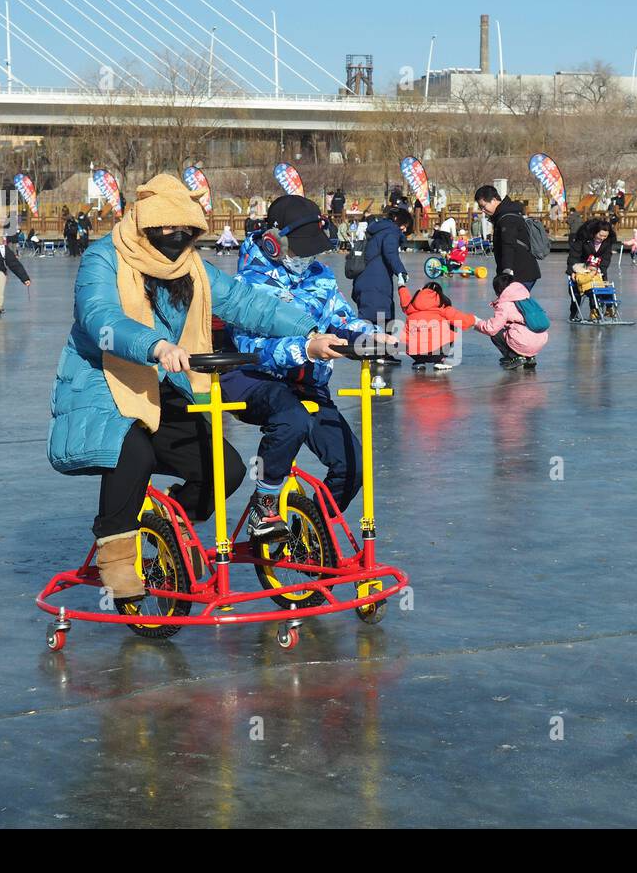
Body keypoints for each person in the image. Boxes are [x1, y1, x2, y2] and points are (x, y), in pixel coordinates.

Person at [48, 174, 326, 603]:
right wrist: (154, 344)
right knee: (132, 452)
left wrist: (313, 333)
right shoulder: (105, 258)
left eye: (186, 231)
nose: (177, 238)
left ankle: (175, 526)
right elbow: (98, 315)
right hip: (104, 380)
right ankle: (117, 556)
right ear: (145, 225)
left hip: (165, 383)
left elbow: (245, 303)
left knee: (225, 470)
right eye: (167, 230)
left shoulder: (192, 266)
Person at [222, 194, 381, 539]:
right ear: (273, 243)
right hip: (253, 377)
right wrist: (307, 348)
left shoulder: (319, 275)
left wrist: (373, 337)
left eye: (313, 249)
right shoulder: (249, 284)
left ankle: (311, 534)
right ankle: (264, 504)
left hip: (307, 382)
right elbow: (251, 348)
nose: (307, 257)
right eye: (300, 249)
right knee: (290, 418)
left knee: (352, 466)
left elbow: (340, 319)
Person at [351, 206, 411, 352]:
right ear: (398, 221)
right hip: (377, 282)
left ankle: (373, 351)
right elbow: (391, 253)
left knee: (371, 317)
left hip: (365, 280)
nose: (404, 230)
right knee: (382, 317)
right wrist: (401, 272)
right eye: (404, 226)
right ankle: (381, 353)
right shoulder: (391, 231)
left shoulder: (378, 230)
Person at [474, 275, 548, 369]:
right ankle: (530, 358)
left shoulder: (505, 305)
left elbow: (492, 328)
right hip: (540, 340)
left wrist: (476, 323)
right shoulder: (526, 298)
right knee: (519, 329)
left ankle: (515, 357)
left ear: (498, 290)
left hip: (525, 342)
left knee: (496, 334)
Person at [475, 184, 540, 291]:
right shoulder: (503, 215)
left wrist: (506, 271)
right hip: (520, 271)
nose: (482, 210)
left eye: (483, 206)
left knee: (514, 303)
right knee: (514, 305)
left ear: (494, 200)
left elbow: (508, 244)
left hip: (519, 272)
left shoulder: (507, 218)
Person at [398, 282, 476, 370]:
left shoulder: (410, 308)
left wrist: (401, 286)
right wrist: (474, 320)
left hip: (415, 353)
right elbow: (463, 320)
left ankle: (419, 362)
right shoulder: (442, 308)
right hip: (435, 353)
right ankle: (439, 360)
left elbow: (404, 299)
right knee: (453, 324)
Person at [566, 218, 615, 321]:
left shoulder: (607, 243)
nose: (602, 238)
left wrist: (600, 270)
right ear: (594, 232)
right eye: (600, 235)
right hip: (581, 270)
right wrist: (572, 271)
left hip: (598, 272)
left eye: (605, 236)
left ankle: (597, 312)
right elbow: (574, 256)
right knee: (576, 292)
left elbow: (606, 258)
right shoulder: (583, 240)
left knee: (601, 290)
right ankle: (574, 313)